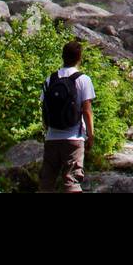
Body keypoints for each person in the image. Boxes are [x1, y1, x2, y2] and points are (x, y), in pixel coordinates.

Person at [40, 39, 95, 193]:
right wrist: (90, 136)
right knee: (72, 181)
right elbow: (87, 110)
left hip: (52, 137)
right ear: (80, 58)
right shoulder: (83, 79)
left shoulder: (50, 79)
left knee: (47, 181)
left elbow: (44, 107)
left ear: (62, 56)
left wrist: (47, 129)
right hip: (74, 138)